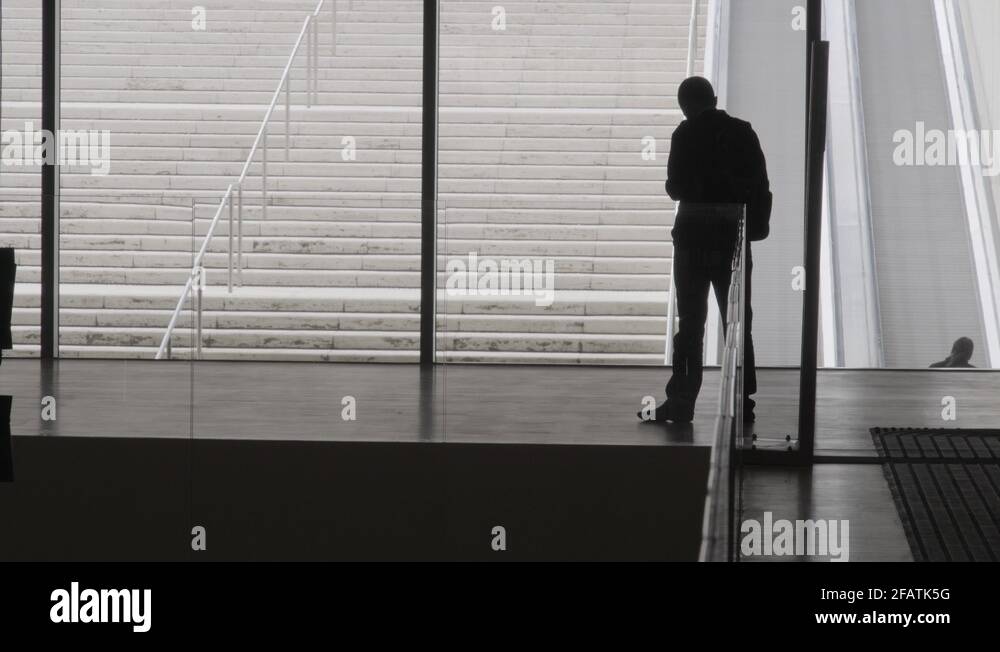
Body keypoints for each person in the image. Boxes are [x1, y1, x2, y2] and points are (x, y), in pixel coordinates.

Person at [639, 76, 768, 424]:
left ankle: (681, 400)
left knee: (691, 323)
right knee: (738, 322)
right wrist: (755, 228)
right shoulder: (743, 132)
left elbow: (675, 187)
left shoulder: (685, 135)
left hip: (693, 238)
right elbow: (760, 185)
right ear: (713, 98)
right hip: (732, 238)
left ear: (684, 106)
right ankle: (743, 402)